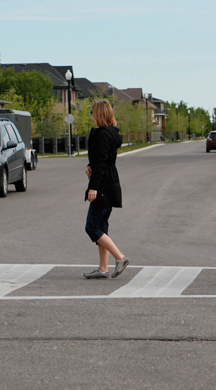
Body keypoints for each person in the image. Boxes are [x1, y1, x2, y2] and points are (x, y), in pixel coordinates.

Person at [82, 100, 131, 279]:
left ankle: (120, 258)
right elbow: (101, 159)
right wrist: (90, 166)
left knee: (92, 227)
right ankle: (103, 268)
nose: (91, 116)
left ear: (100, 114)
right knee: (101, 226)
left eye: (93, 113)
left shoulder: (103, 134)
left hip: (103, 186)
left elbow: (102, 162)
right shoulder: (108, 133)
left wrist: (93, 187)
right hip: (109, 183)